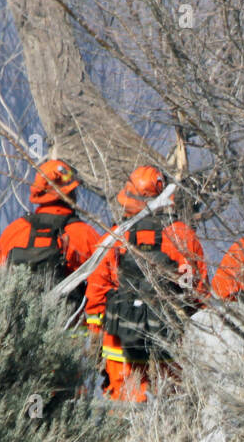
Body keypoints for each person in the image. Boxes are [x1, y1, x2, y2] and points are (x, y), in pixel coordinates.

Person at [84, 165, 208, 402]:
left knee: (124, 415)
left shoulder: (113, 239)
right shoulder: (184, 237)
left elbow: (96, 298)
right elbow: (200, 296)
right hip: (168, 348)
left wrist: (95, 344)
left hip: (120, 348)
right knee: (171, 410)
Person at [0, 159, 102, 288]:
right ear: (70, 194)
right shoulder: (84, 234)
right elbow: (102, 283)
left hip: (14, 307)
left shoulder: (14, 230)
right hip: (68, 307)